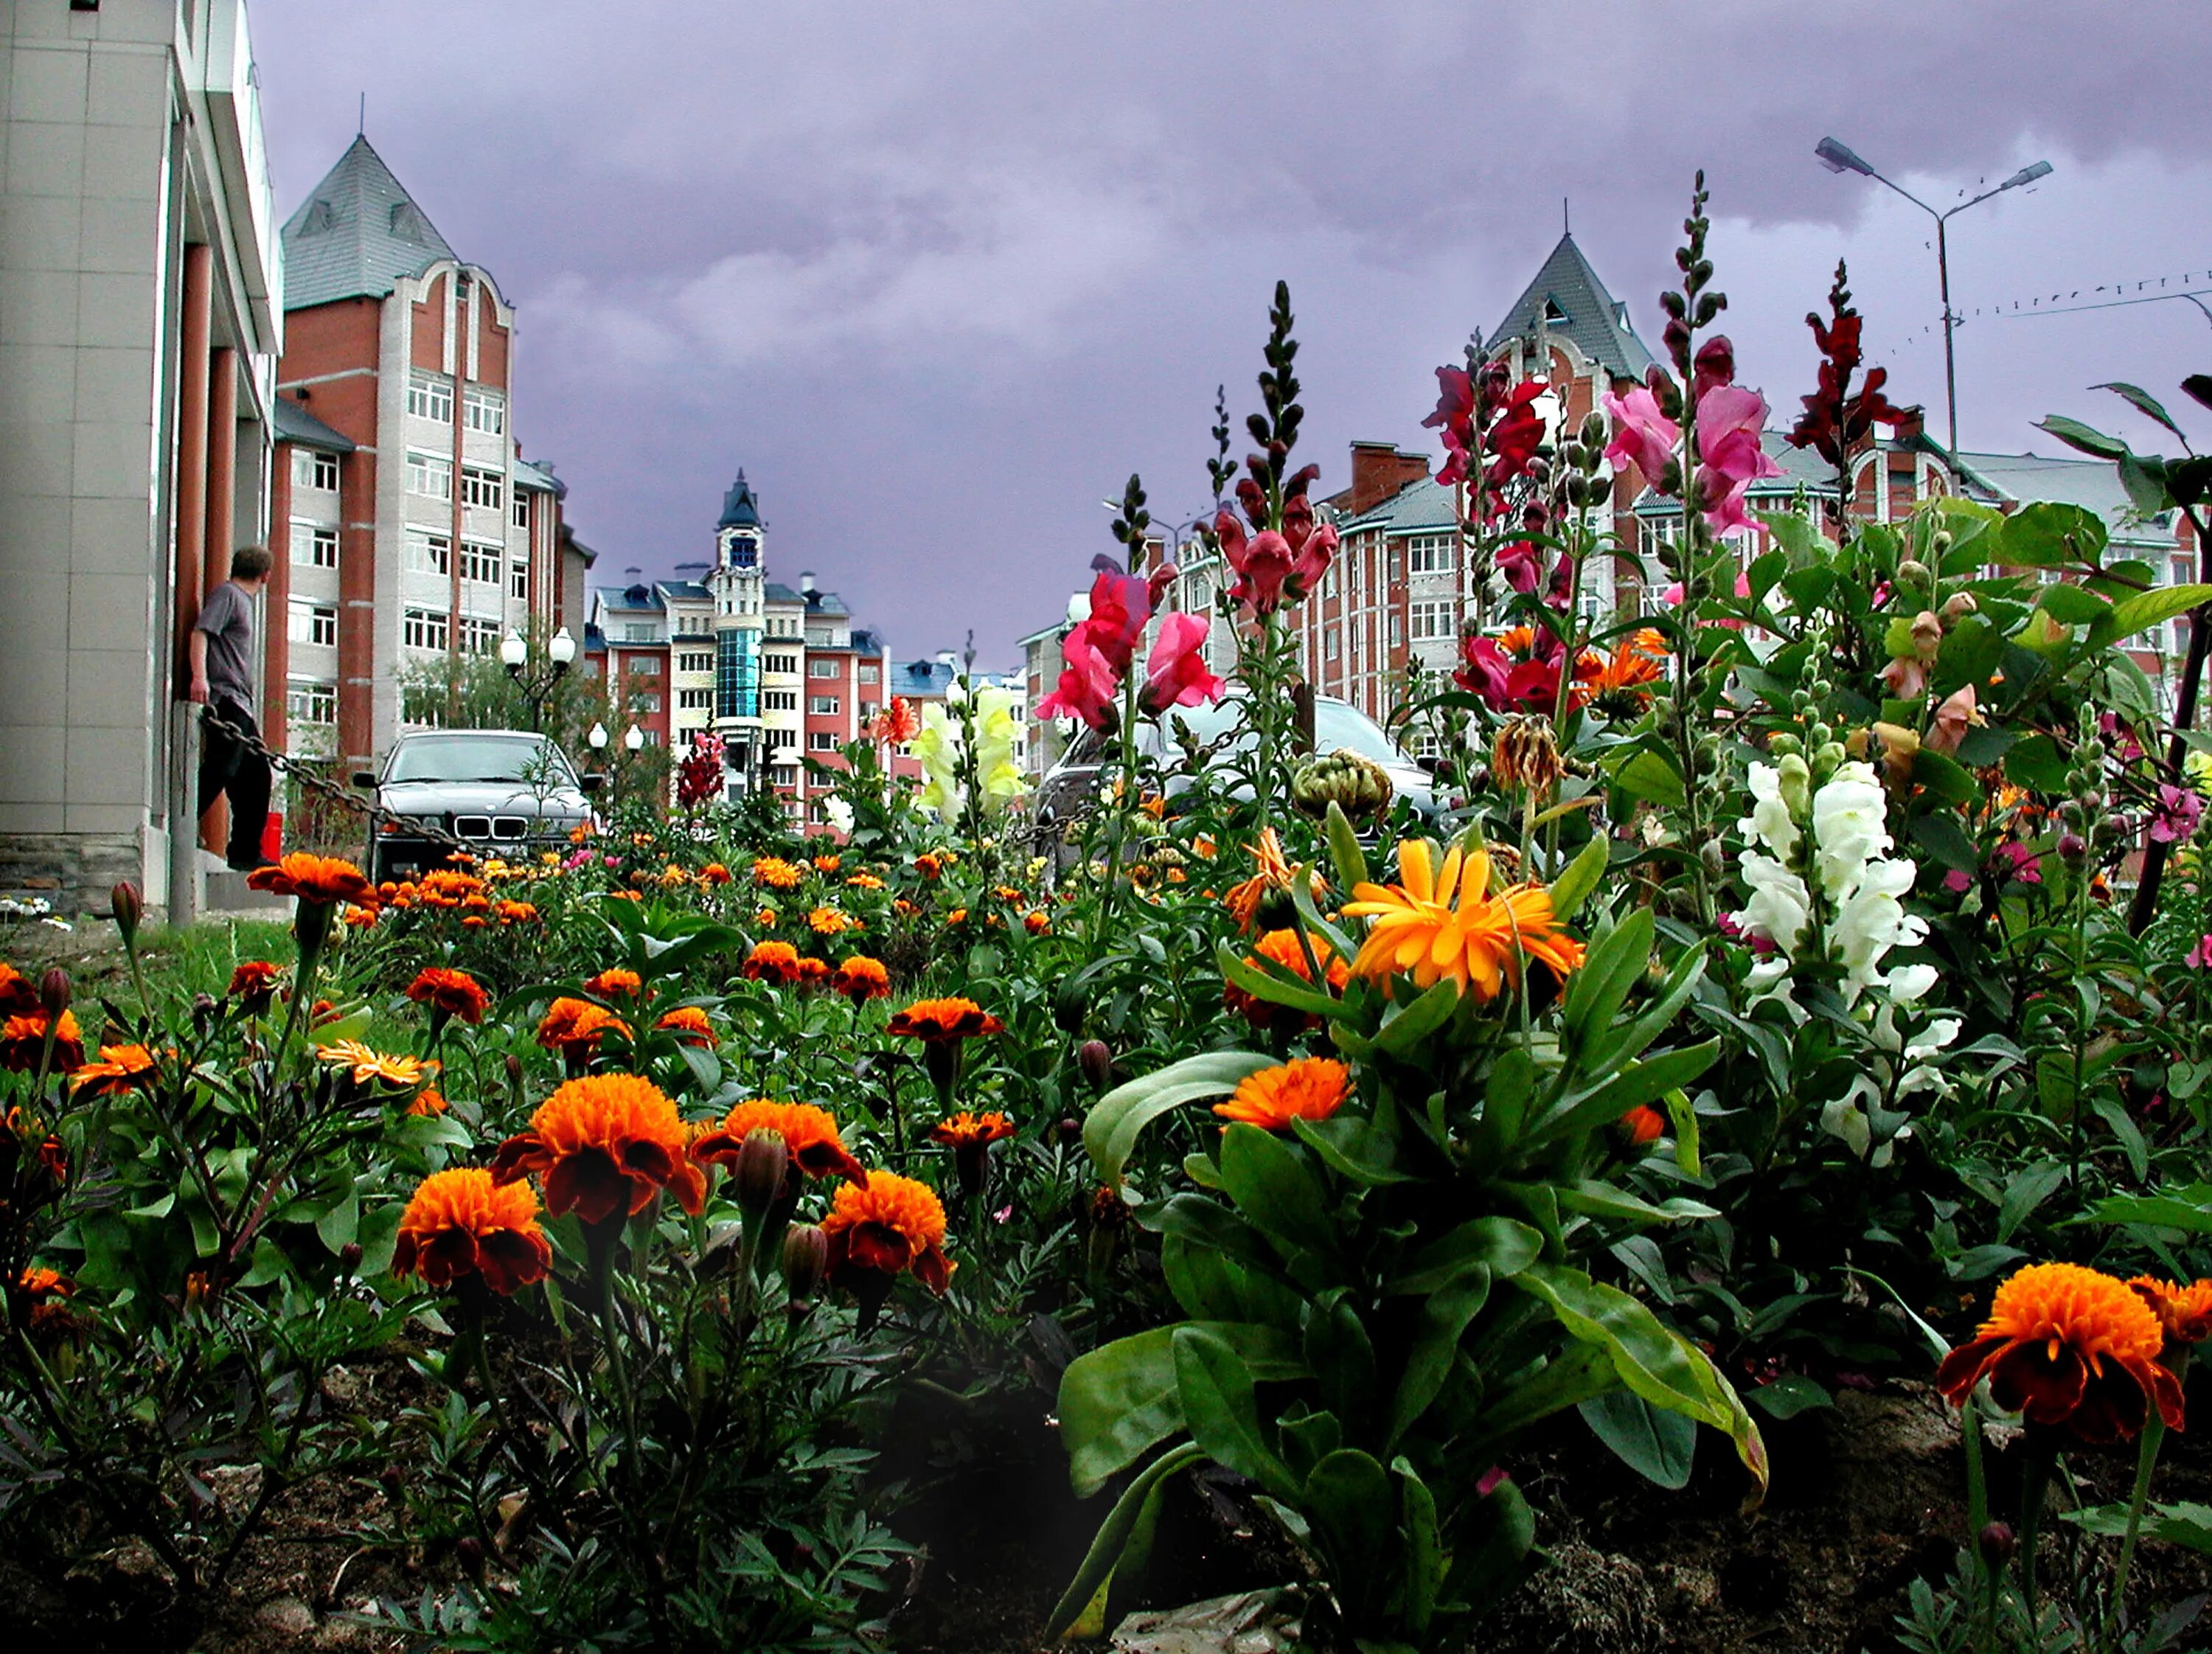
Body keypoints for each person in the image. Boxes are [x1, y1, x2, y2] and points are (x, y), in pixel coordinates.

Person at [189, 544, 276, 872]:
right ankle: (183, 823)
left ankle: (244, 851)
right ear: (265, 575)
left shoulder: (242, 600)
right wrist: (200, 678)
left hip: (241, 702)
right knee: (221, 767)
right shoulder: (228, 595)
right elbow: (201, 633)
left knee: (256, 775)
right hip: (225, 698)